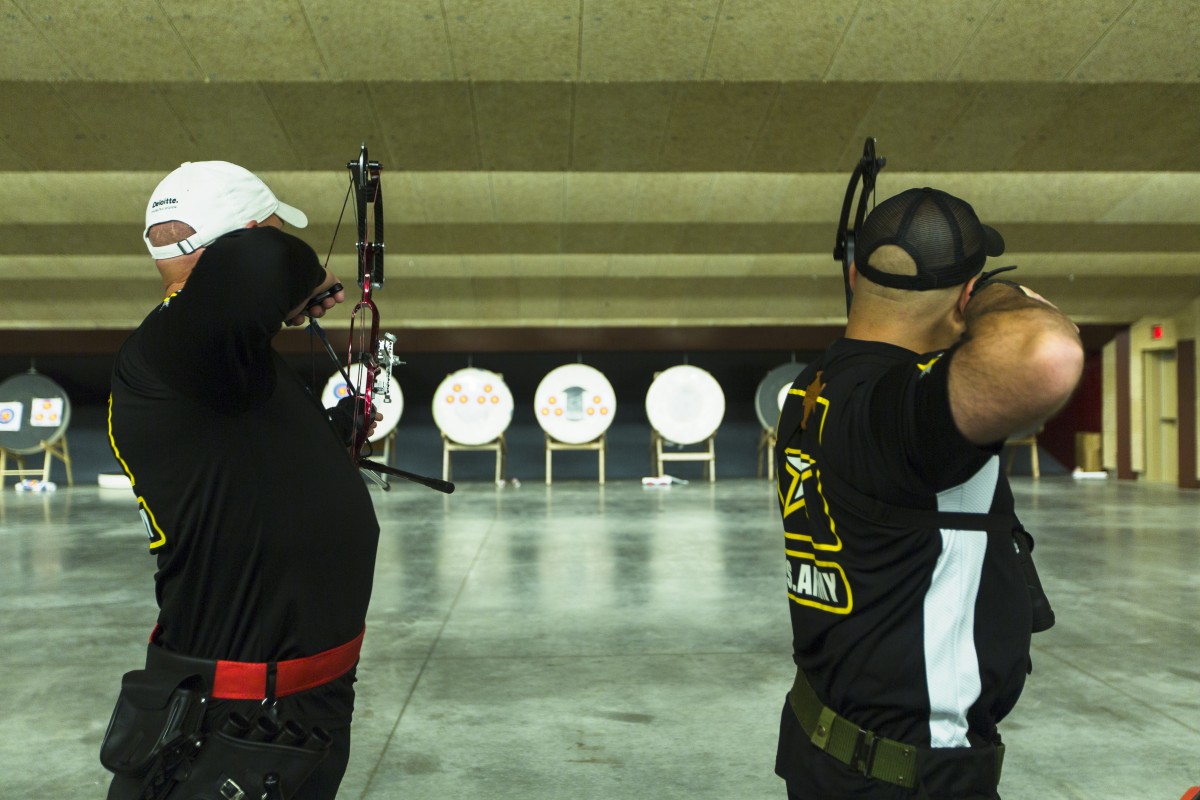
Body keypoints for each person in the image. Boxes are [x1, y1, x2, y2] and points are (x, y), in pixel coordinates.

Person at [773, 187, 1083, 799]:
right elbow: (1046, 354)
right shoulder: (904, 413)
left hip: (821, 744)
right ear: (964, 298)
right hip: (913, 776)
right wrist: (996, 295)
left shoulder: (813, 388)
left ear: (855, 270)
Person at [103, 161, 381, 800]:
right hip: (230, 720)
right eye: (278, 227)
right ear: (252, 231)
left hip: (292, 708)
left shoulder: (224, 367)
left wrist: (333, 437)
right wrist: (304, 272)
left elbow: (249, 472)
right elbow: (259, 260)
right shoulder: (170, 349)